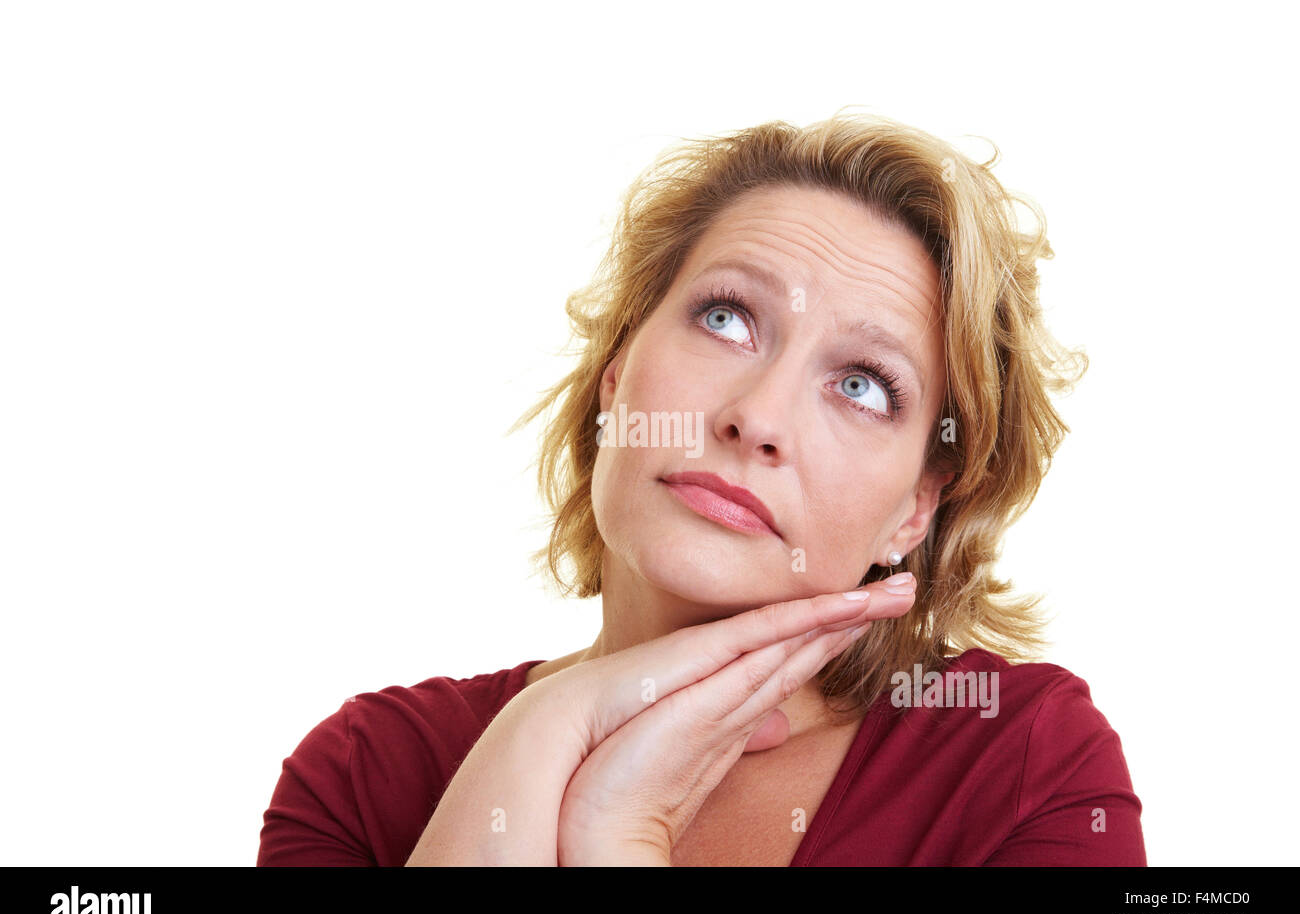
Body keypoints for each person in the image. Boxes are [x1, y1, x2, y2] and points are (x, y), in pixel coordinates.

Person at [257, 110, 1145, 866]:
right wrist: (540, 734)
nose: (757, 418)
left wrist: (619, 834)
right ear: (615, 377)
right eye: (727, 319)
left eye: (863, 384)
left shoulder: (1023, 765)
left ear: (913, 511)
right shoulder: (367, 776)